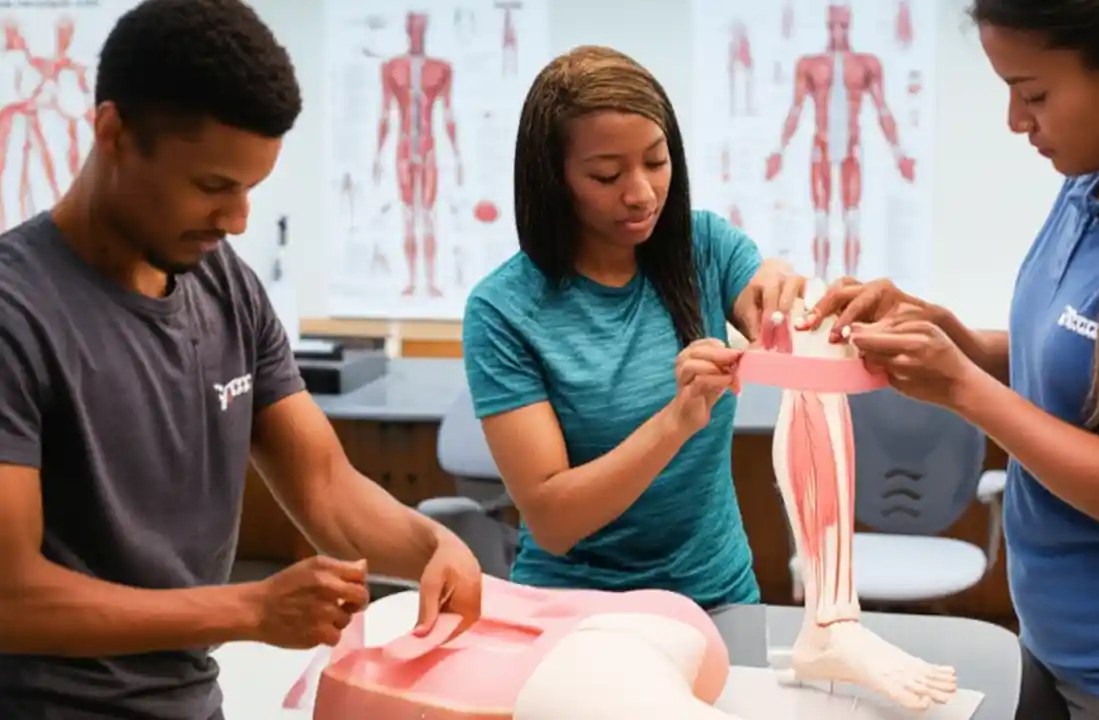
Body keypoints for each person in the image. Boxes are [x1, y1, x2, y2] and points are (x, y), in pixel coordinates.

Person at [0, 2, 482, 718]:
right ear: (113, 134)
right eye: (212, 187)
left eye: (250, 189)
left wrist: (432, 545)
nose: (237, 220)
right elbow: (12, 597)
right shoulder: (17, 313)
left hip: (190, 702)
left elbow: (323, 485)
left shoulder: (224, 286)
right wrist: (248, 609)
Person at [804, 0, 1099, 717]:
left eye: (1034, 94)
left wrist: (962, 387)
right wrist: (953, 336)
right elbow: (1070, 360)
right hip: (1060, 651)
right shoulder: (1090, 188)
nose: (1016, 121)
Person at [462, 45, 806, 610]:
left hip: (717, 600)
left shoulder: (706, 247)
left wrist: (780, 291)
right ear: (554, 179)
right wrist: (675, 420)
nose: (641, 193)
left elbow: (771, 320)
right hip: (576, 613)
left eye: (655, 160)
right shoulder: (503, 311)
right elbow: (551, 520)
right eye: (607, 174)